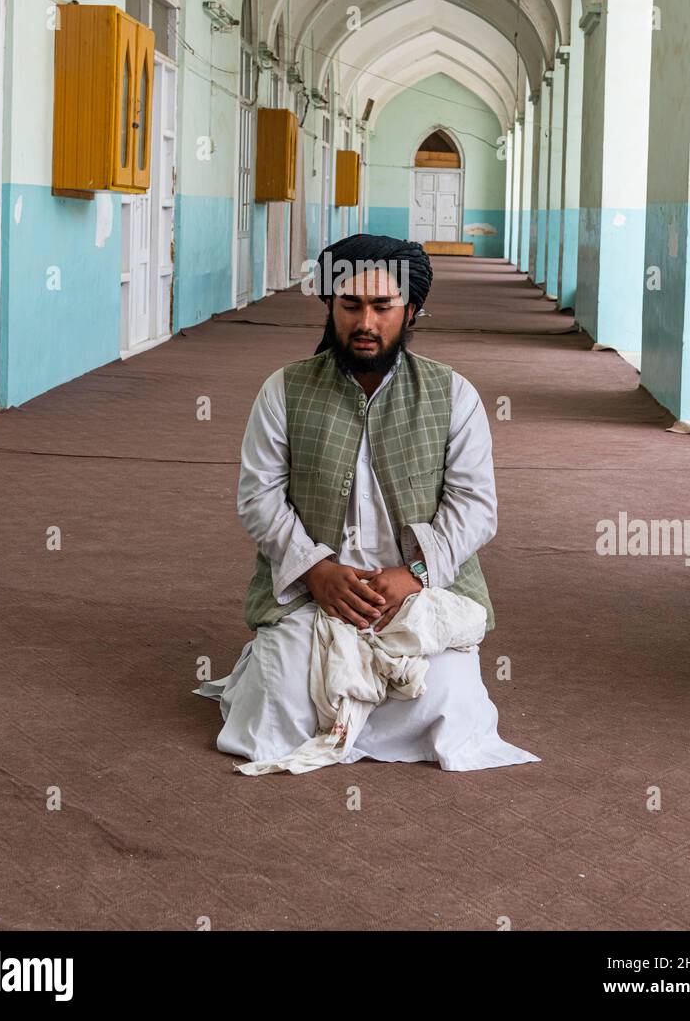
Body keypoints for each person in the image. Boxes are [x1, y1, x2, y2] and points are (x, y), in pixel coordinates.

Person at [198, 233, 539, 773]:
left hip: (422, 590)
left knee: (443, 702)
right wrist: (317, 572)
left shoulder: (453, 394)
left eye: (383, 306)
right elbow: (259, 497)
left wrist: (414, 575)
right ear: (329, 307)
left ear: (412, 310)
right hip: (314, 593)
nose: (366, 322)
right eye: (350, 305)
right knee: (276, 702)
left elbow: (475, 506)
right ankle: (272, 666)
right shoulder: (283, 390)